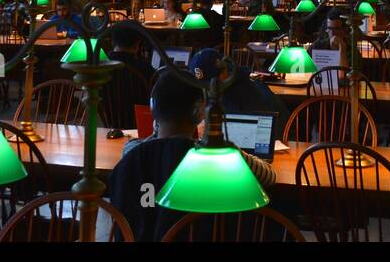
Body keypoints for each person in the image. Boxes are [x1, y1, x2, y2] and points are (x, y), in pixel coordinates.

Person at [106, 70, 275, 241]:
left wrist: (155, 132)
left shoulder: (132, 154)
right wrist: (230, 149)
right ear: (199, 113)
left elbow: (149, 147)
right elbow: (269, 175)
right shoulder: (217, 159)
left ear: (152, 109)